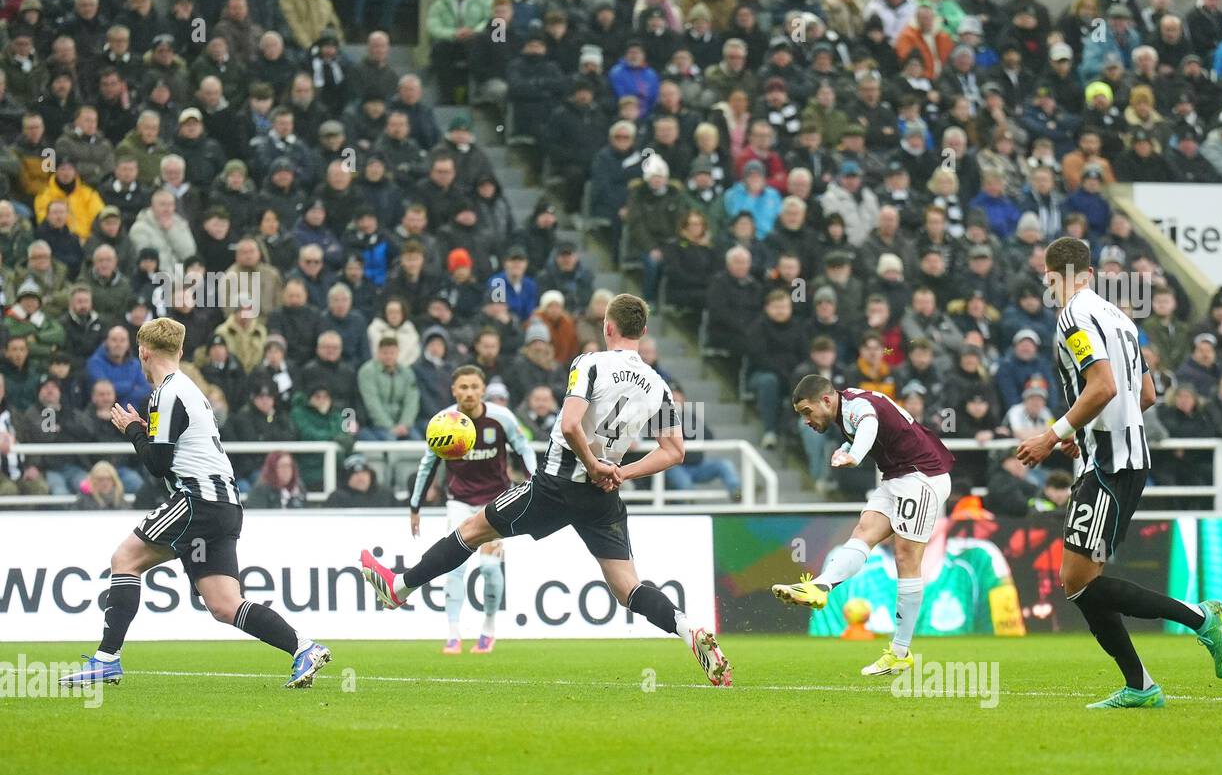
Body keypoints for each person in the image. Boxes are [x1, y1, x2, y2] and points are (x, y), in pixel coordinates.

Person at [359, 294, 732, 686]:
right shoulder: (658, 384)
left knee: (472, 530)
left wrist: (592, 464)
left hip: (555, 485)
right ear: (644, 331)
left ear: (608, 327)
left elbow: (571, 426)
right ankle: (688, 629)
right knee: (627, 587)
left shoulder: (589, 363)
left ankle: (398, 588)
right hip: (603, 497)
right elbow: (674, 452)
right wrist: (618, 472)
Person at [1013, 237, 1222, 709]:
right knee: (1080, 583)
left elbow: (1104, 385)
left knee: (1076, 581)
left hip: (1111, 464)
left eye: (1049, 279)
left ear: (1053, 276)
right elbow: (1146, 394)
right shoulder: (1123, 321)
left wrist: (1052, 435)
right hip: (1123, 457)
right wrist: (1083, 428)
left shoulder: (1073, 317)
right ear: (1090, 272)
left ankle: (1200, 619)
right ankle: (1141, 685)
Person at [58, 318, 331, 690]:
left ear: (143, 351)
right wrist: (144, 430)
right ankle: (304, 648)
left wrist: (133, 430)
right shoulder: (189, 389)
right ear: (181, 351)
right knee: (223, 605)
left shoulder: (167, 393)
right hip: (225, 505)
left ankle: (107, 659)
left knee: (125, 560)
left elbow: (158, 464)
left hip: (197, 500)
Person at [773, 375, 955, 677]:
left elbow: (869, 422)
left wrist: (853, 455)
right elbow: (868, 426)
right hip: (896, 476)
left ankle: (900, 651)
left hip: (922, 476)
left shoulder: (857, 406)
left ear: (827, 400)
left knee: (906, 557)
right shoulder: (846, 408)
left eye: (807, 412)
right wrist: (847, 443)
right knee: (864, 531)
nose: (806, 420)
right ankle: (821, 586)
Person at [409, 365, 538, 655]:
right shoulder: (444, 422)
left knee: (490, 568)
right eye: (463, 387)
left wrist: (536, 481)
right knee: (455, 568)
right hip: (459, 502)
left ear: (483, 390)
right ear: (454, 390)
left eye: (474, 387)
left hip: (496, 503)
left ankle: (488, 629)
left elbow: (524, 448)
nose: (468, 392)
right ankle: (453, 634)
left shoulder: (500, 417)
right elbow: (428, 464)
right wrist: (415, 505)